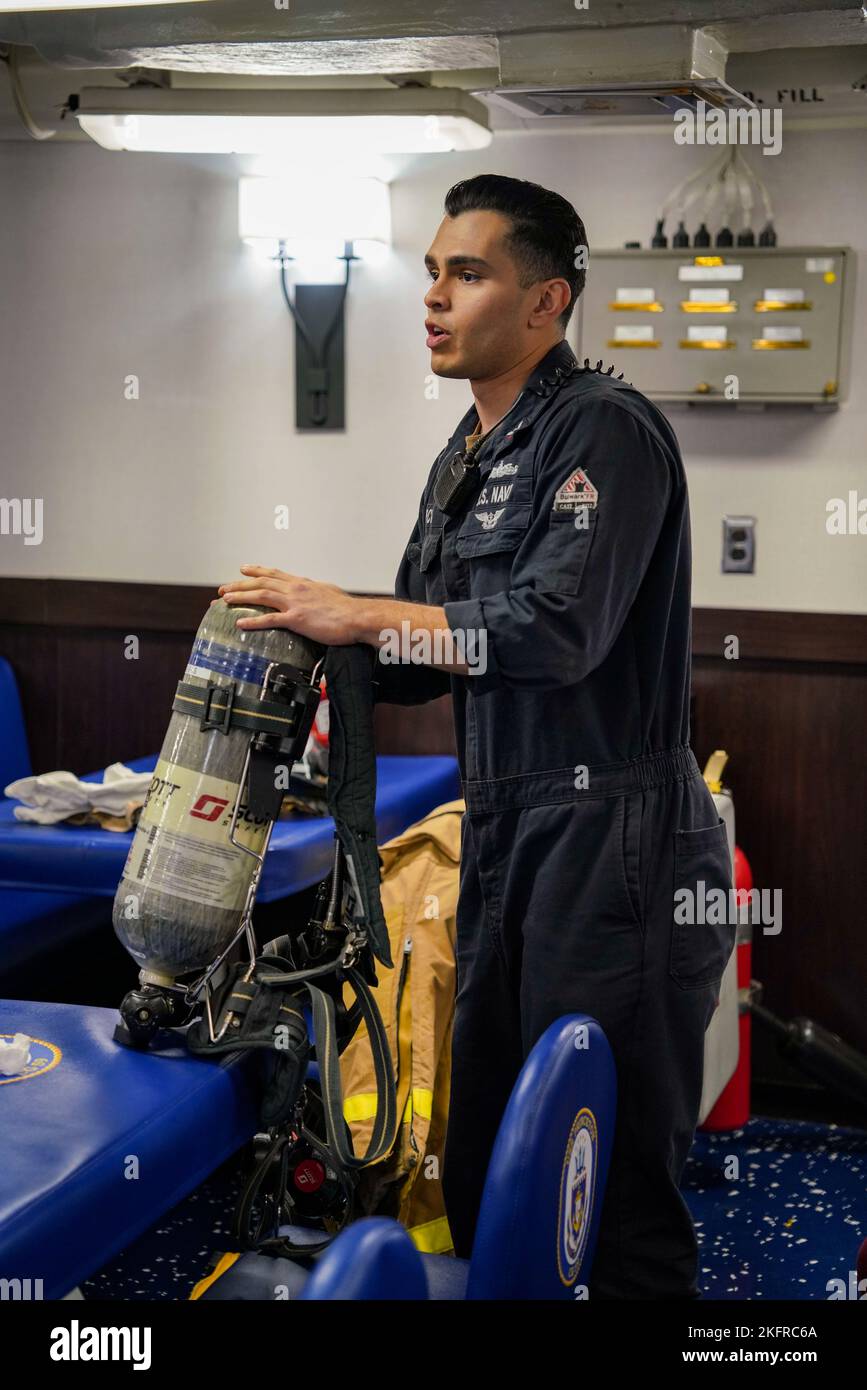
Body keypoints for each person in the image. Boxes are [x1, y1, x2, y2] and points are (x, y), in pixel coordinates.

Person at [217, 173, 735, 1299]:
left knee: (609, 1165)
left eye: (468, 272)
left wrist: (358, 611)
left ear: (548, 301)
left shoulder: (606, 427)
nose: (435, 297)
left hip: (615, 841)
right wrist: (311, 655)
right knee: (498, 1131)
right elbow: (422, 646)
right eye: (432, 273)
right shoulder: (465, 454)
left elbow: (556, 631)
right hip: (502, 826)